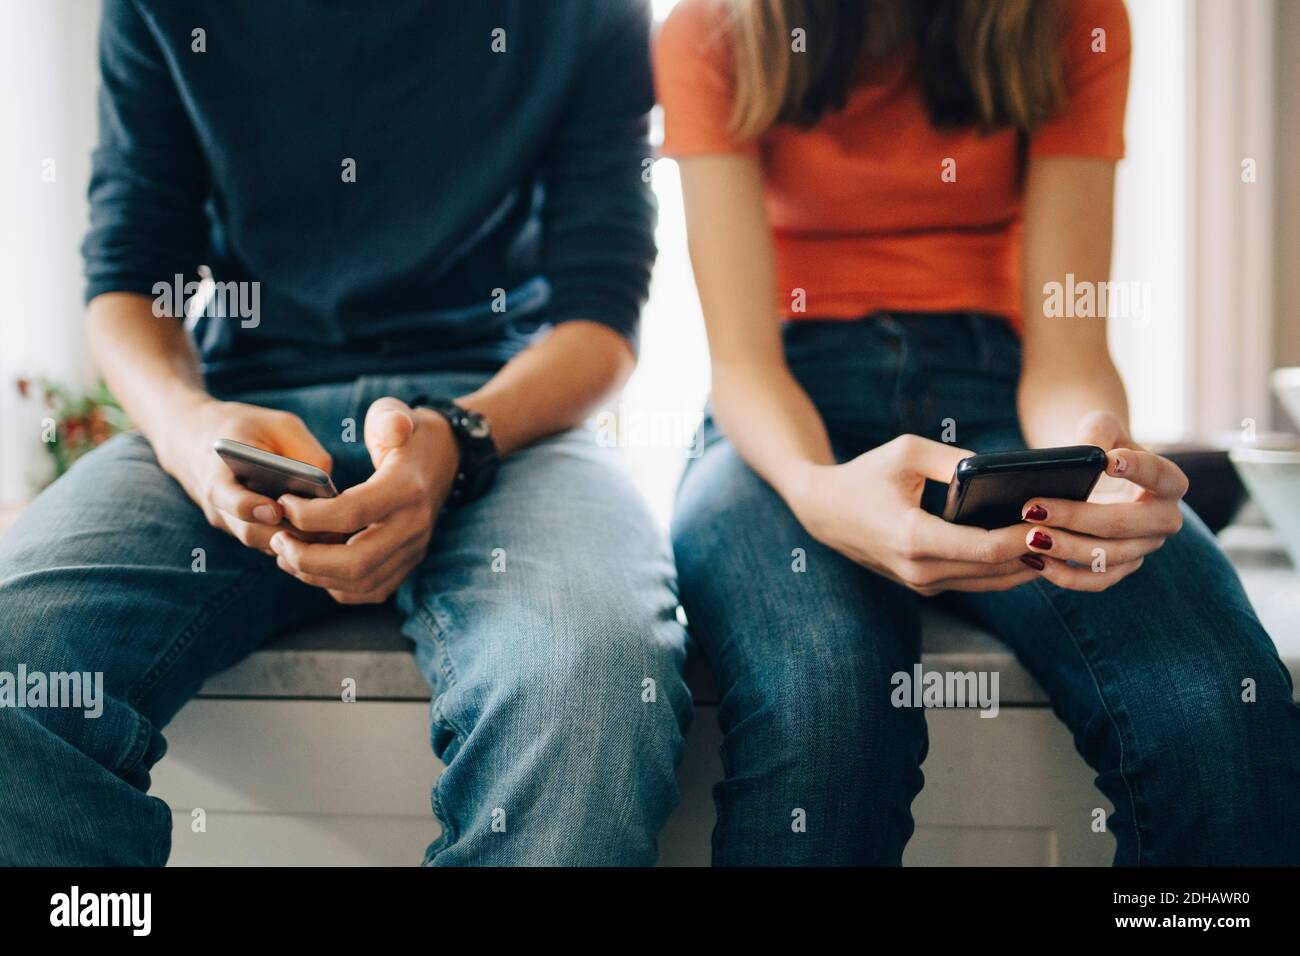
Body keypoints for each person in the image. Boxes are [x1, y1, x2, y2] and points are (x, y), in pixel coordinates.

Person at [0, 0, 691, 866]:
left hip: (504, 419)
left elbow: (603, 320)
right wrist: (190, 430)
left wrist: (459, 437)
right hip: (242, 416)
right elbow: (129, 279)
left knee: (588, 680)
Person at [656, 0, 1300, 865]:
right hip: (783, 420)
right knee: (825, 707)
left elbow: (1068, 354)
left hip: (999, 397)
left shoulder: (1073, 20)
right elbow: (744, 364)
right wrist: (819, 492)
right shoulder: (711, 32)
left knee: (1218, 705)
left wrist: (1100, 465)